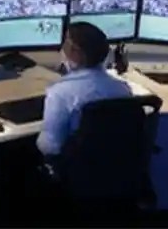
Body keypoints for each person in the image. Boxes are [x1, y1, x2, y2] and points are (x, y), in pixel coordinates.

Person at [37, 22, 131, 158]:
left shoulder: (60, 93)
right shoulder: (123, 89)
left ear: (75, 52)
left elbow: (51, 147)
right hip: (116, 163)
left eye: (65, 43)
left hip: (77, 169)